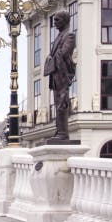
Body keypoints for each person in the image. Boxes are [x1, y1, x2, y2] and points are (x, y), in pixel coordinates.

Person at [44, 11, 77, 141]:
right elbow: (56, 53)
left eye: (57, 20)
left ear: (65, 20)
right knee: (58, 103)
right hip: (56, 74)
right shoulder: (59, 36)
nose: (54, 23)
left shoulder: (69, 35)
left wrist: (51, 58)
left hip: (62, 74)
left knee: (62, 103)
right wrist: (50, 57)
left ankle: (63, 133)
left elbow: (64, 53)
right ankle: (59, 131)